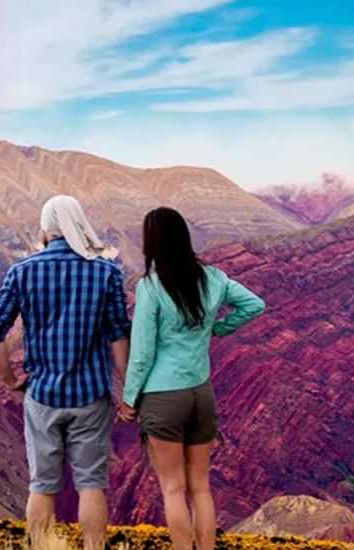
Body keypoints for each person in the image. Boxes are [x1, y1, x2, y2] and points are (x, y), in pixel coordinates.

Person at [0, 195, 131, 550]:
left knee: (42, 485)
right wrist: (128, 391)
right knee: (91, 484)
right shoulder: (106, 272)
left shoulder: (22, 271)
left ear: (46, 229)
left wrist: (9, 381)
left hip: (42, 395)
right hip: (91, 396)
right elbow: (117, 335)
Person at [119, 207, 265, 550]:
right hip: (202, 393)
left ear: (152, 243)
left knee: (173, 488)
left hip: (163, 397)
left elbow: (142, 352)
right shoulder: (214, 278)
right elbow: (254, 305)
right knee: (201, 486)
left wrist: (129, 399)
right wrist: (218, 328)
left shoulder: (151, 287)